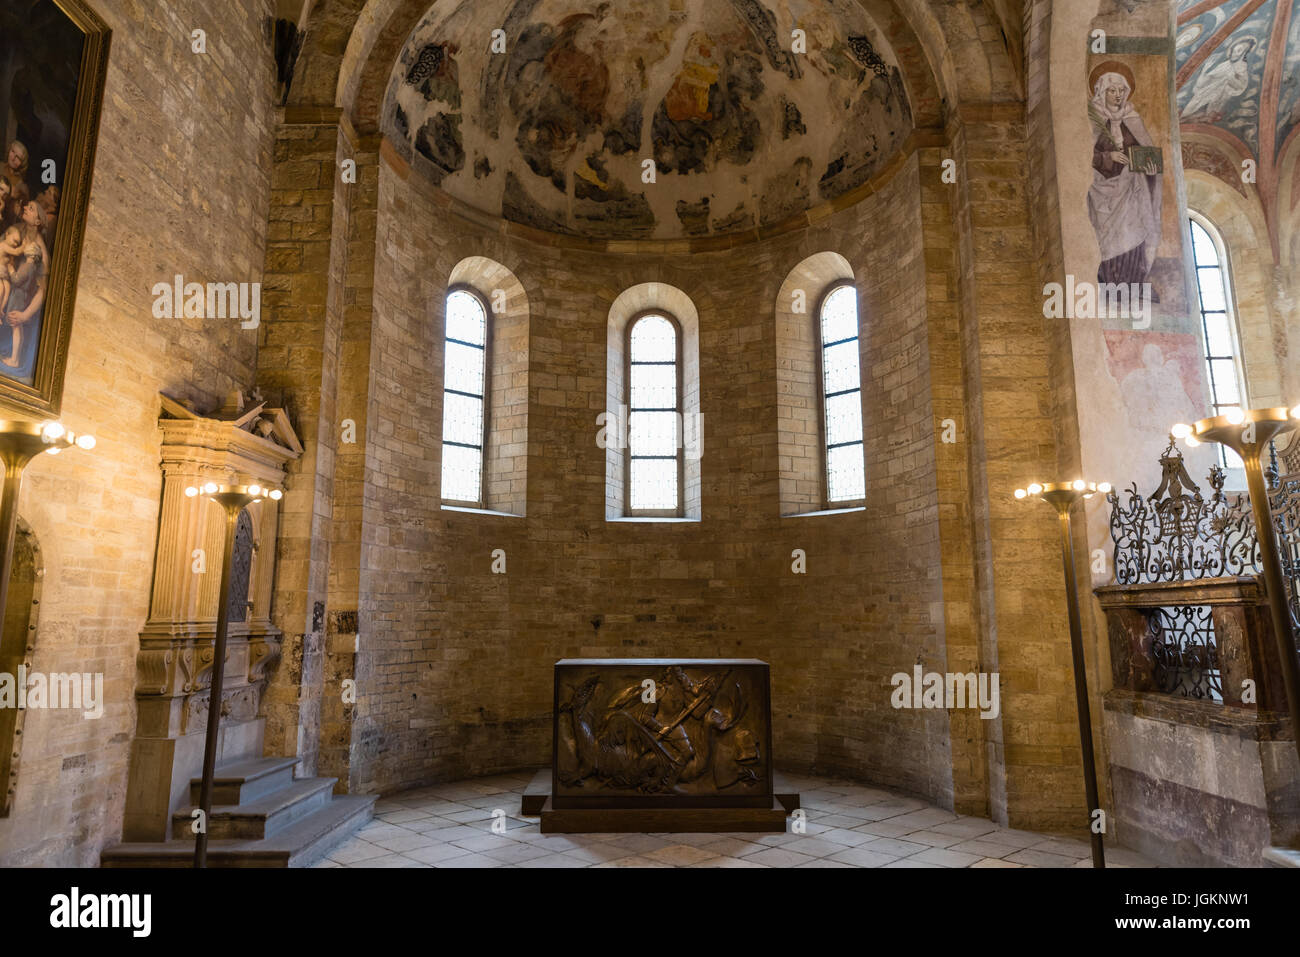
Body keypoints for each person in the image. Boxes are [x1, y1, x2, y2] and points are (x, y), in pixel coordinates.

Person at [1088, 68, 1163, 292]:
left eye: (1122, 90)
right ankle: (1108, 281)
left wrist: (1150, 168)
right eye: (1112, 90)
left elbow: (1148, 153)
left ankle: (1132, 282)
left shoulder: (1132, 118)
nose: (1118, 95)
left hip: (1133, 187)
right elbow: (1078, 156)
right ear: (1102, 92)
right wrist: (1107, 157)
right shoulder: (1092, 118)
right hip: (1102, 188)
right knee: (1108, 235)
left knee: (1135, 229)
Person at [1183, 37, 1256, 119]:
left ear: (1244, 54)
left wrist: (1230, 78)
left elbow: (1240, 88)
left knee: (1204, 114)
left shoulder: (1241, 69)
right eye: (1234, 50)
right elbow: (1205, 81)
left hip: (1216, 102)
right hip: (1202, 96)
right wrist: (1204, 71)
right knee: (1188, 112)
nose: (1234, 53)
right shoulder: (1224, 64)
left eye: (1238, 51)